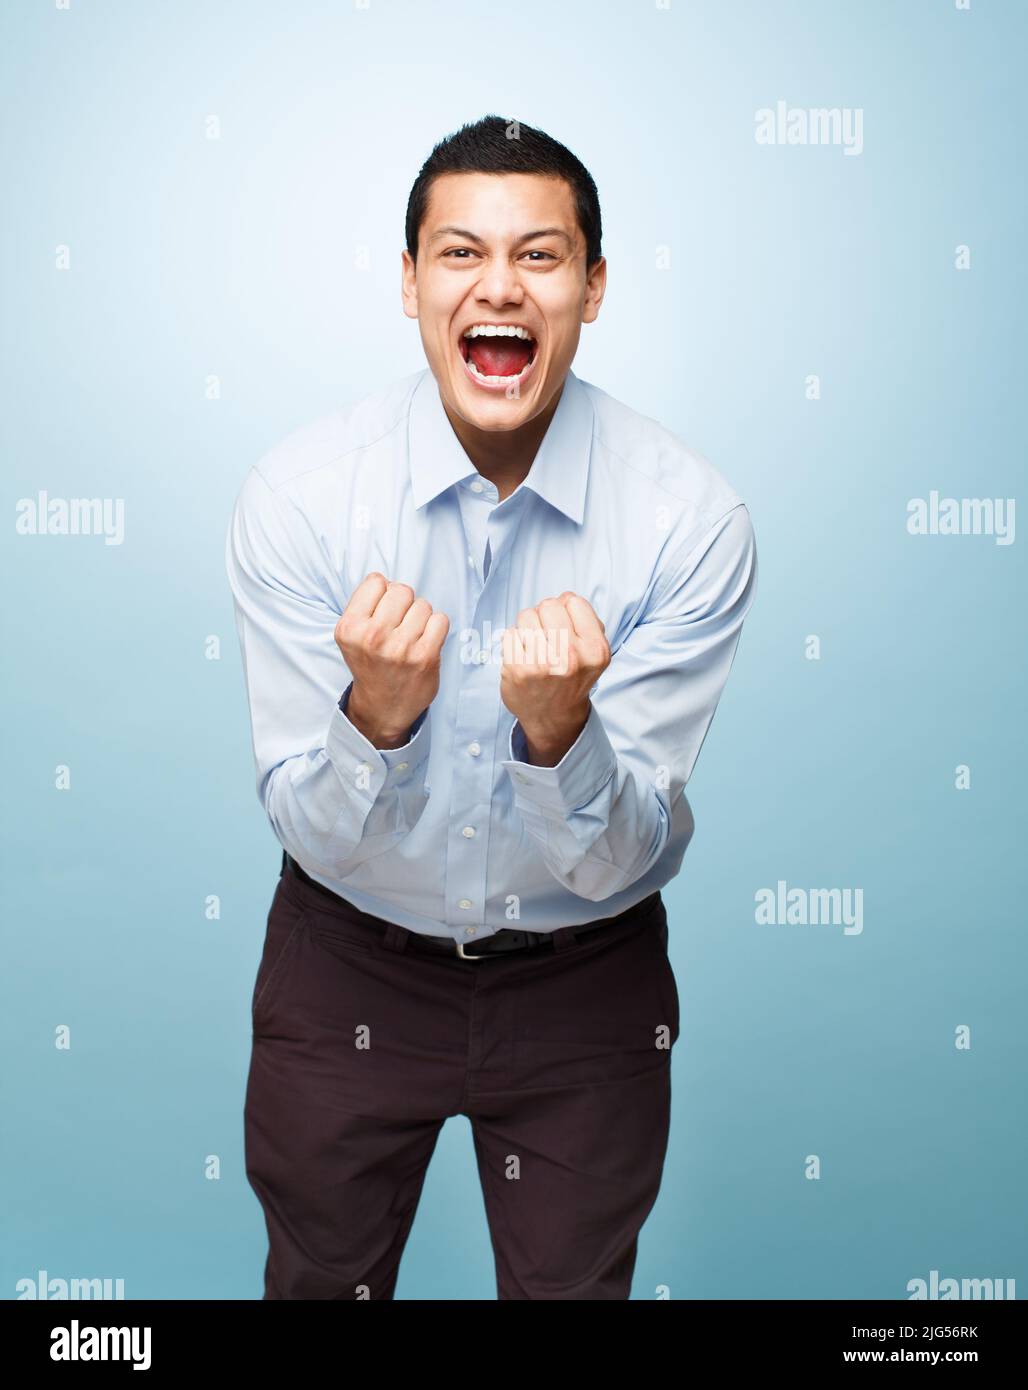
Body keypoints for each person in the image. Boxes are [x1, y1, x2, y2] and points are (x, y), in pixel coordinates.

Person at [225, 114, 758, 1301]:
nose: (497, 285)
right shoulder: (300, 499)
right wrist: (377, 718)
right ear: (411, 281)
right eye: (460, 253)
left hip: (584, 985)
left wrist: (560, 736)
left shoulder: (688, 519)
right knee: (320, 1289)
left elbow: (626, 851)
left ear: (593, 284)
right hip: (345, 969)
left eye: (540, 254)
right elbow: (308, 832)